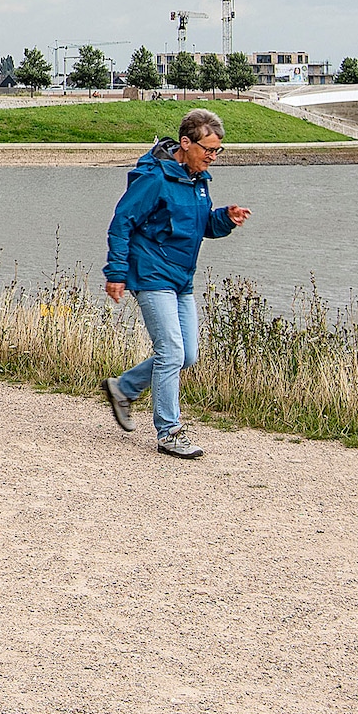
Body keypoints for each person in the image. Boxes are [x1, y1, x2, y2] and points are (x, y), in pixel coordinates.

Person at [100, 108, 249, 458]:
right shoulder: (155, 178)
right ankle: (169, 432)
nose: (212, 157)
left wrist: (224, 219)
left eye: (217, 150)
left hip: (182, 278)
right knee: (170, 351)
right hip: (152, 273)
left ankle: (124, 388)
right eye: (208, 150)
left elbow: (201, 226)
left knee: (187, 354)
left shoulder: (198, 182)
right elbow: (122, 223)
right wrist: (117, 272)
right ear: (185, 143)